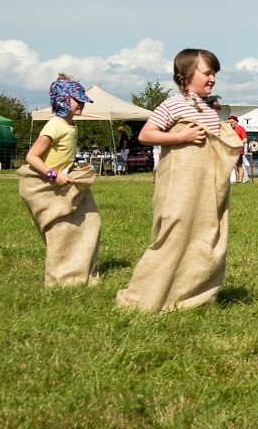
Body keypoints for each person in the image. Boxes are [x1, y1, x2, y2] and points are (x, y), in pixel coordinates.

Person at [117, 49, 242, 312]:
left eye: (214, 74)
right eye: (207, 73)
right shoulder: (173, 104)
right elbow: (147, 135)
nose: (212, 79)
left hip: (206, 186)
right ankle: (143, 296)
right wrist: (181, 137)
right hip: (180, 186)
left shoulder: (209, 108)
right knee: (173, 233)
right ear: (184, 76)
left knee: (205, 237)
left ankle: (188, 296)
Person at [18, 75, 100, 286]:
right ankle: (62, 277)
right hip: (46, 184)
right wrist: (53, 175)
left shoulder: (69, 125)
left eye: (82, 100)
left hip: (64, 180)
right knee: (60, 231)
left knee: (89, 222)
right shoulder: (54, 126)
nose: (81, 104)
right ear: (63, 100)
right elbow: (31, 157)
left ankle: (80, 270)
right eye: (76, 100)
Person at [228, 115, 248, 183]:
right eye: (230, 122)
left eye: (232, 122)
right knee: (235, 167)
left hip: (239, 150)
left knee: (239, 166)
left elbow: (245, 139)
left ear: (236, 121)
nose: (231, 123)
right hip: (232, 150)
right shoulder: (231, 130)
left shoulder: (240, 129)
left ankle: (240, 181)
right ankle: (237, 181)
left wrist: (238, 143)